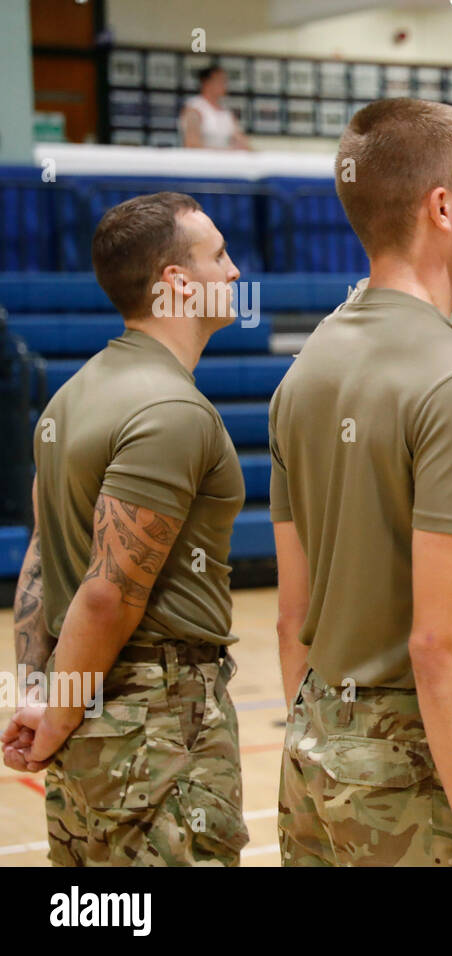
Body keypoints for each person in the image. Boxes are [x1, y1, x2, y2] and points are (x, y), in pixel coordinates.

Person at [271, 99, 452, 867]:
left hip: (315, 756)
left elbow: (292, 617)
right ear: (442, 208)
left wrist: (330, 752)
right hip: (414, 778)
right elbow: (442, 643)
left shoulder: (308, 367)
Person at [2, 192, 250, 866]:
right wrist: (54, 713)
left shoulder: (72, 393)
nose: (234, 272)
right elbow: (110, 591)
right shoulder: (170, 408)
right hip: (159, 720)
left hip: (92, 704)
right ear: (175, 284)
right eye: (219, 256)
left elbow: (41, 557)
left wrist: (40, 691)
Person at [180, 66, 250, 150]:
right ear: (206, 82)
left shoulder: (226, 112)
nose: (225, 85)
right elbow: (192, 144)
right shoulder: (194, 108)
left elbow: (242, 141)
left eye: (225, 81)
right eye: (220, 81)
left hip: (224, 160)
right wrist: (228, 152)